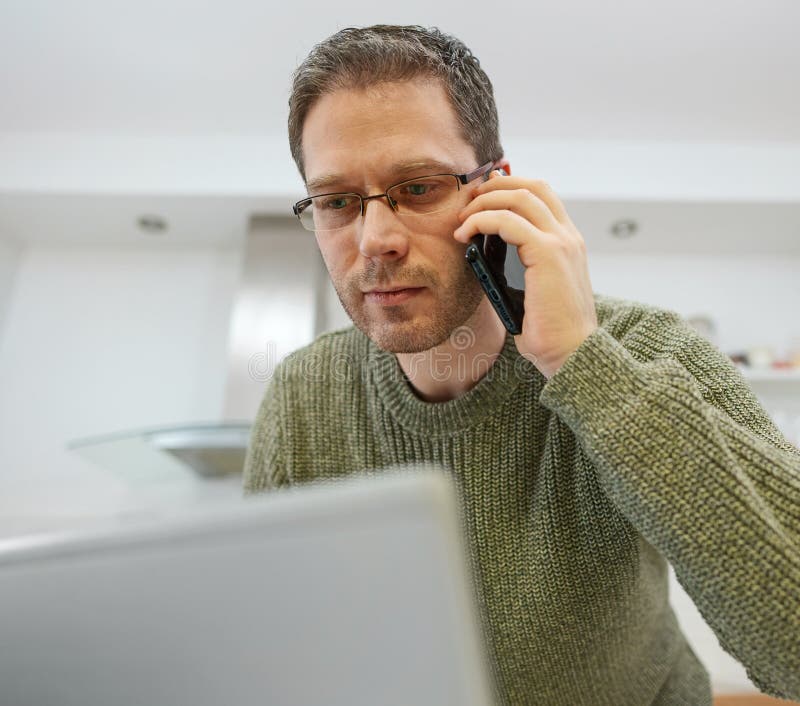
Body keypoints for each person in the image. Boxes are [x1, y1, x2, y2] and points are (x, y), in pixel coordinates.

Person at [243, 24, 800, 705]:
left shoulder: (646, 350)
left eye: (417, 188)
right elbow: (278, 638)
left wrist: (582, 366)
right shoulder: (303, 394)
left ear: (494, 193)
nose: (376, 240)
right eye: (336, 202)